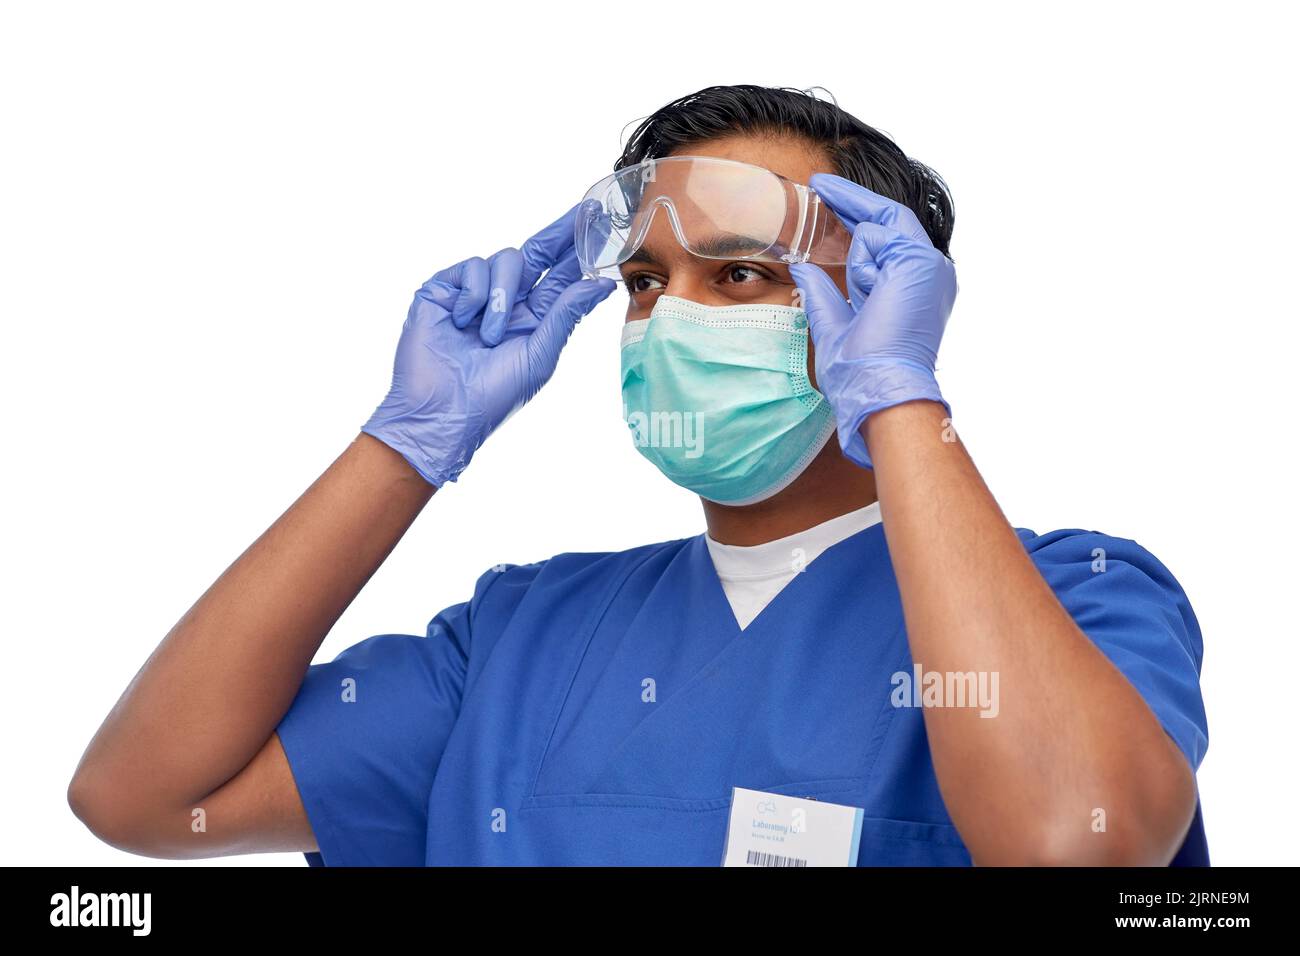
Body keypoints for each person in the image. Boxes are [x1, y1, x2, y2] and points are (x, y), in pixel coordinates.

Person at [67, 84, 1209, 866]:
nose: (671, 319)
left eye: (745, 274)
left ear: (876, 302)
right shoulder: (520, 636)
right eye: (645, 280)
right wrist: (409, 439)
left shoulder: (1078, 596)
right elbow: (145, 795)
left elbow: (1075, 841)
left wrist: (899, 396)